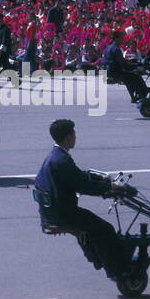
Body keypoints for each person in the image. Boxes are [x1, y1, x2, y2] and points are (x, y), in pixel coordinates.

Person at [33, 119, 132, 281]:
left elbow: (77, 176)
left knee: (93, 226)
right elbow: (83, 186)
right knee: (106, 229)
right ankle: (119, 270)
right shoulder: (62, 160)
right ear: (68, 137)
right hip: (65, 213)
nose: (76, 137)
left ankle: (100, 260)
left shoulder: (54, 156)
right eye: (74, 133)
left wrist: (102, 180)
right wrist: (111, 188)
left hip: (53, 210)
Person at [102, 30, 148, 104]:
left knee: (128, 78)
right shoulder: (116, 49)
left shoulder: (108, 47)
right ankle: (143, 94)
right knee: (136, 76)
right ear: (116, 38)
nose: (123, 40)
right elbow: (124, 65)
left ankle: (134, 97)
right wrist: (136, 66)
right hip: (115, 72)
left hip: (108, 71)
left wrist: (130, 64)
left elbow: (119, 61)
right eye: (121, 38)